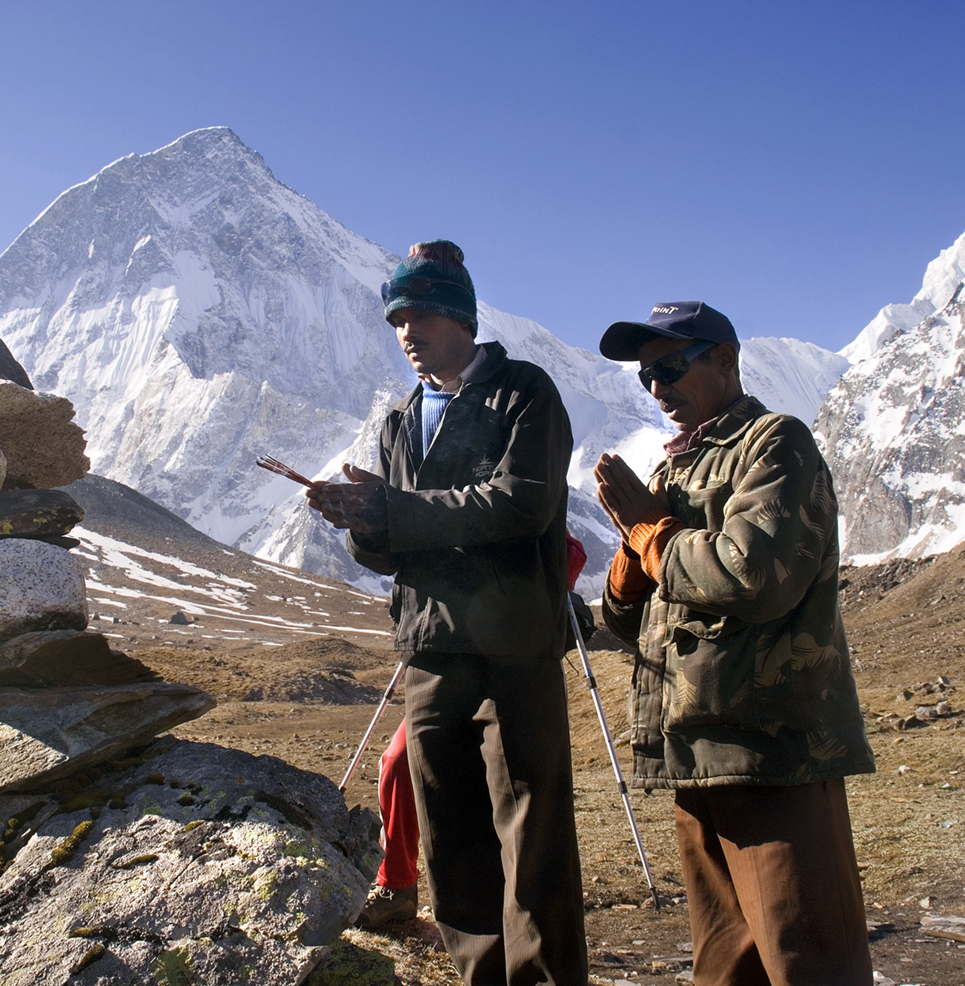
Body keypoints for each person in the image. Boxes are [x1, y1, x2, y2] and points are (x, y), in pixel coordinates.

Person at [307, 240, 586, 985]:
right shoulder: (400, 419)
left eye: (423, 315)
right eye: (398, 320)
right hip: (431, 650)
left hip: (513, 646)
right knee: (450, 836)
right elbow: (393, 551)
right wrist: (362, 520)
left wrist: (393, 509)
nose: (408, 331)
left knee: (531, 831)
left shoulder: (523, 392)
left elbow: (522, 504)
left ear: (463, 319)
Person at [595, 301, 877, 986]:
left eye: (670, 366)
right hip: (694, 753)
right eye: (646, 377)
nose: (657, 387)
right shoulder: (672, 471)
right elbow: (638, 624)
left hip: (774, 754)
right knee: (726, 966)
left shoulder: (775, 444)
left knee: (806, 958)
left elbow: (754, 576)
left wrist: (654, 537)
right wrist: (630, 566)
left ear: (725, 358)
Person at [356, 534, 591, 931]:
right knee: (398, 764)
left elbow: (570, 554)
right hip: (446, 662)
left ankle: (519, 912)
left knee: (511, 794)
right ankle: (397, 885)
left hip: (514, 671)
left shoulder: (527, 508)